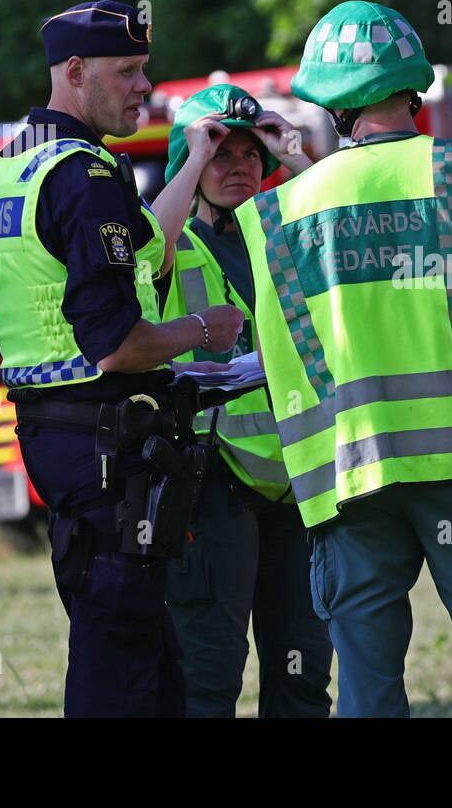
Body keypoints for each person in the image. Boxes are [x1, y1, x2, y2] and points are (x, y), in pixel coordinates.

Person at [235, 1, 452, 717]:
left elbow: (273, 354)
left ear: (329, 102)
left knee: (367, 685)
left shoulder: (276, 214)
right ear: (412, 88)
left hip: (351, 476)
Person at [0, 0, 243, 716]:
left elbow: (147, 247)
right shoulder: (85, 178)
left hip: (59, 441)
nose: (142, 86)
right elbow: (119, 344)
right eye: (127, 72)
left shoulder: (11, 171)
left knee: (149, 656)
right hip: (107, 448)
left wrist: (197, 157)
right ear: (75, 71)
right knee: (118, 661)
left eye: (145, 70)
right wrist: (203, 330)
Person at [151, 83, 332, 716]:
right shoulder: (174, 239)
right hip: (213, 483)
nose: (240, 167)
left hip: (297, 485)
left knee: (304, 671)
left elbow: (344, 224)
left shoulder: (281, 233)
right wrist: (192, 152)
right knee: (209, 676)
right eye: (221, 154)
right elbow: (148, 247)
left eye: (252, 155)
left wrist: (295, 151)